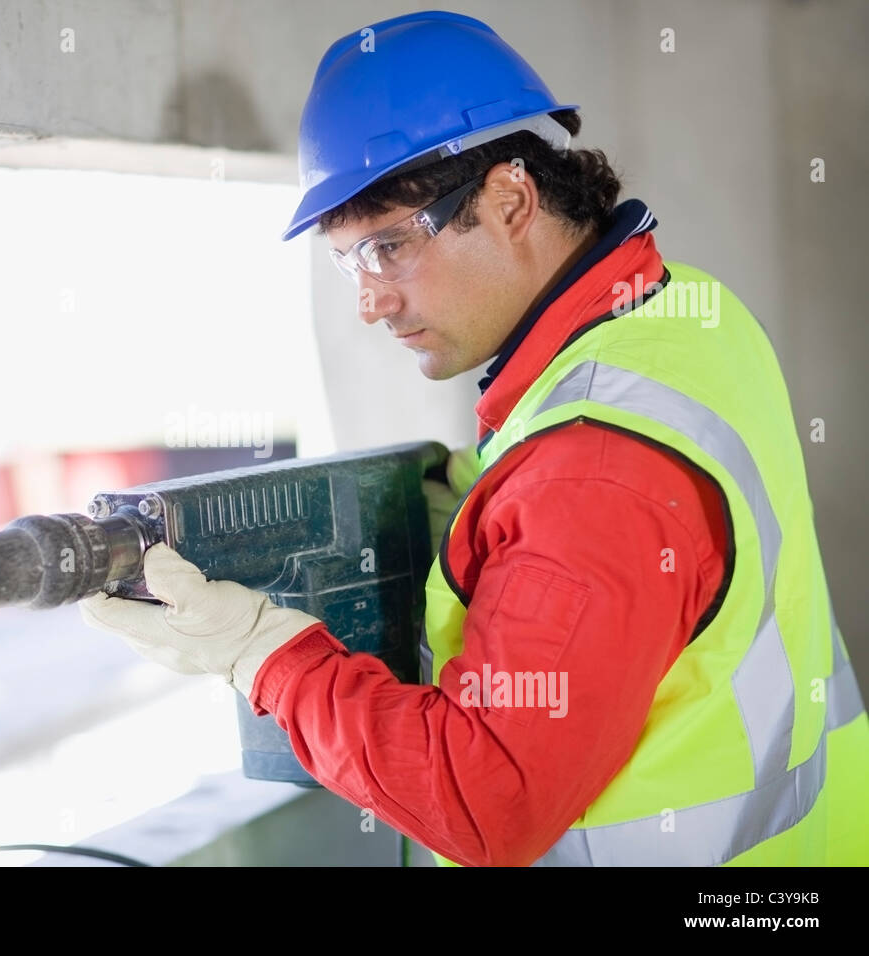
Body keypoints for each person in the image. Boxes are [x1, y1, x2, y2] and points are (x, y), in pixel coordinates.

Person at [80, 10, 869, 866]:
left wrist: (262, 657)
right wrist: (486, 492)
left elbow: (482, 798)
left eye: (388, 248)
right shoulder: (680, 310)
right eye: (349, 262)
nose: (370, 302)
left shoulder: (586, 477)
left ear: (510, 200)